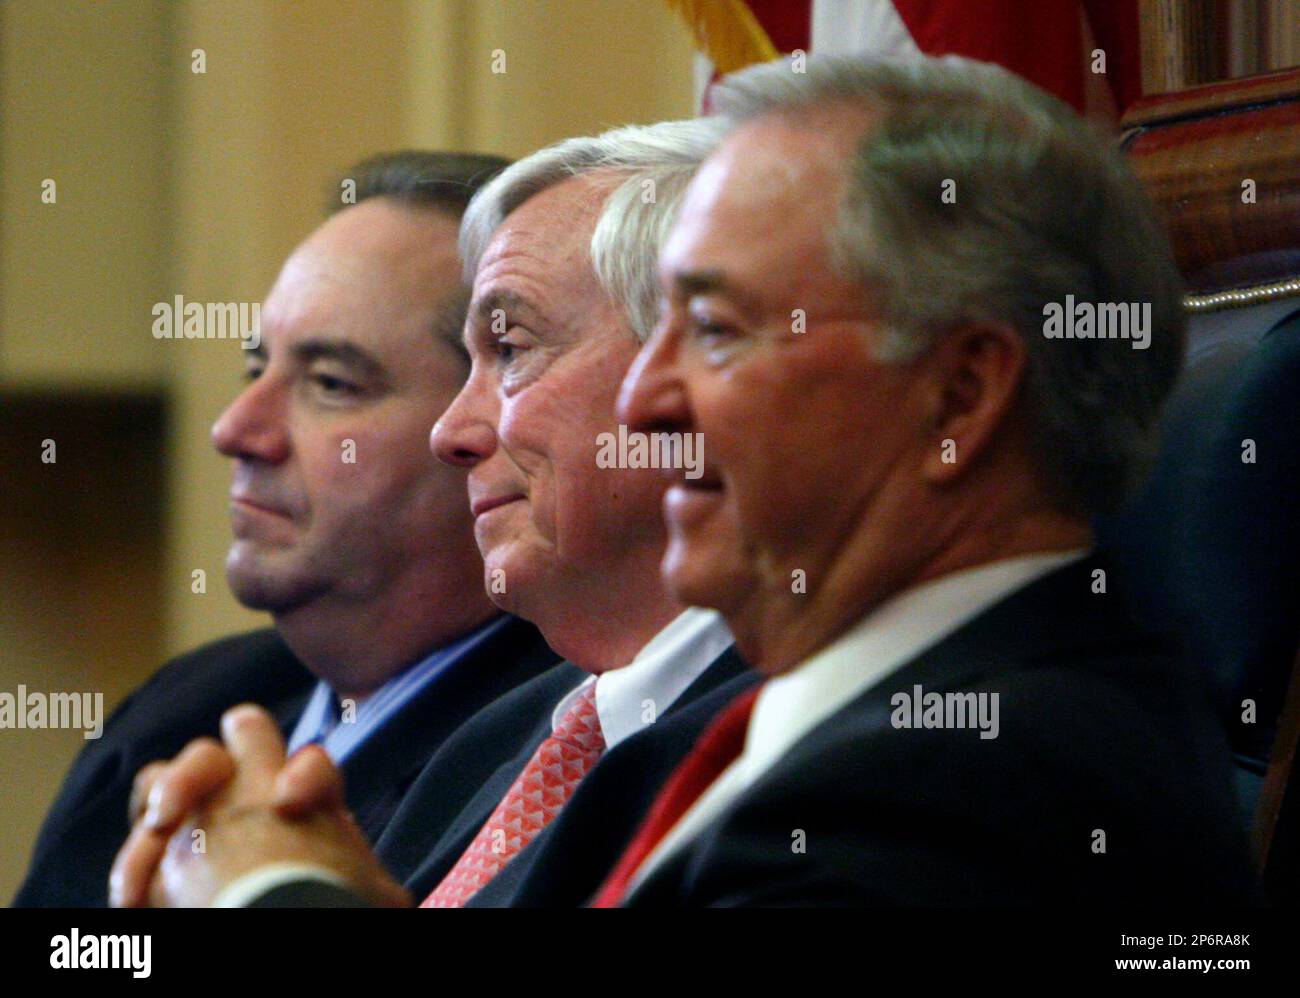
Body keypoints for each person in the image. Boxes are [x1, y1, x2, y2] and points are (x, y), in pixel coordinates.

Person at [594, 54, 1256, 905]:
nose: (639, 400)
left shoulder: (956, 796)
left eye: (716, 329)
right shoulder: (893, 732)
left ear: (959, 397)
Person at [110, 119, 759, 909]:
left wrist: (278, 894)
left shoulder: (792, 758)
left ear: (693, 375)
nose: (453, 432)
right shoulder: (511, 737)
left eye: (512, 350)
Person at [15, 151, 560, 908]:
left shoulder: (557, 758)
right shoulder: (183, 707)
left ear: (484, 426)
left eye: (330, 384)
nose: (236, 429)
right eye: (255, 368)